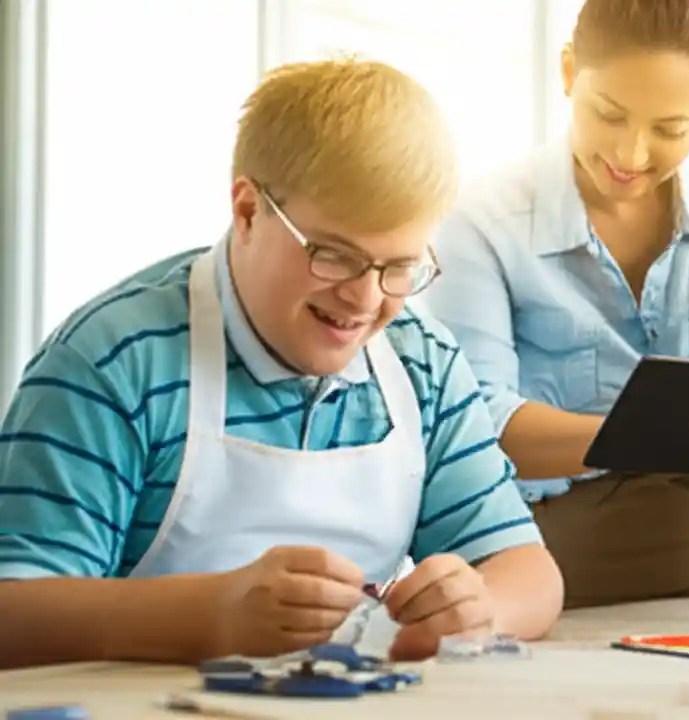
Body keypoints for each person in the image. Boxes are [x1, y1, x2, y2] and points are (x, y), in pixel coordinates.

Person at [0, 59, 563, 669]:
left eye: (399, 267)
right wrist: (212, 615)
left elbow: (530, 575)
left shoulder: (421, 364)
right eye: (334, 255)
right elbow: (16, 613)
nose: (366, 299)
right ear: (246, 211)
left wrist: (478, 609)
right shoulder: (116, 360)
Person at [422, 0, 689, 609]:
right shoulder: (481, 220)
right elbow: (479, 427)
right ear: (567, 73)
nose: (631, 154)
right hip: (541, 573)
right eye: (608, 114)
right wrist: (662, 433)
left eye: (671, 129)